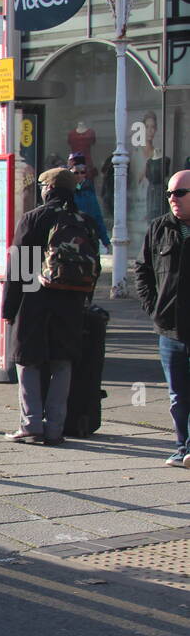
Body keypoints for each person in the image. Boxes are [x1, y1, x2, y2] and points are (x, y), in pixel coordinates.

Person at [2, 167, 100, 445]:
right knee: (63, 360)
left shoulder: (35, 218)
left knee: (27, 360)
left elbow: (18, 266)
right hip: (72, 299)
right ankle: (55, 427)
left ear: (47, 190)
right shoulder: (85, 220)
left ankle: (31, 424)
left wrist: (9, 309)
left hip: (34, 296)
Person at [134, 168, 190, 467]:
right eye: (169, 192)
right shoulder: (159, 228)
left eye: (179, 193)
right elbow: (142, 269)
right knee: (178, 396)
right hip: (169, 328)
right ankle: (182, 447)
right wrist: (152, 307)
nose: (172, 198)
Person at [69, 152, 110, 253]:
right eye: (76, 172)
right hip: (70, 237)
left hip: (88, 236)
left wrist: (105, 241)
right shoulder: (66, 190)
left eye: (82, 172)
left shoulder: (89, 190)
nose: (79, 175)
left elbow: (97, 216)